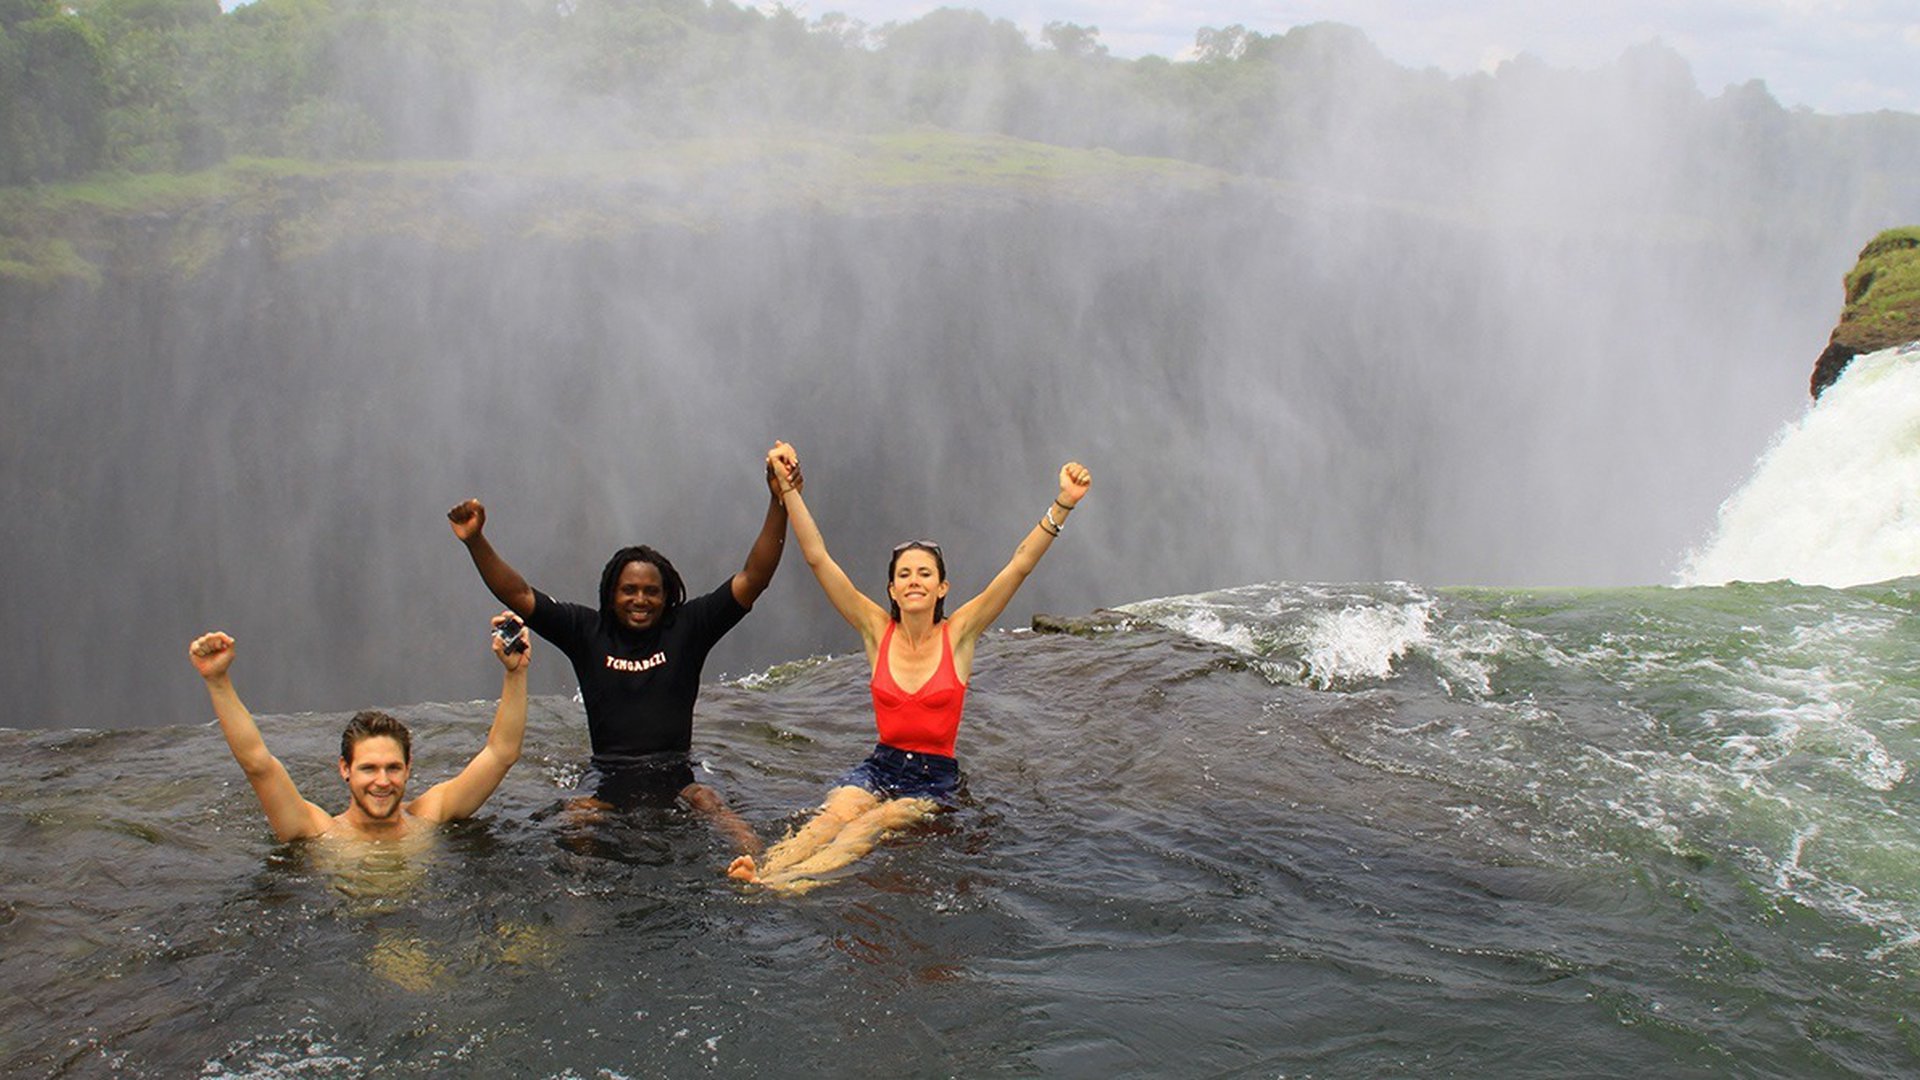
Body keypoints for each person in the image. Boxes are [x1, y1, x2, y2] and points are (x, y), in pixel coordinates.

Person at [729, 441, 1092, 891]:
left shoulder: (960, 634)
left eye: (924, 574)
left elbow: (1018, 567)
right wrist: (788, 489)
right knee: (833, 816)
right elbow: (818, 557)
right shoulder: (875, 630)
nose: (914, 581)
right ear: (893, 590)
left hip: (932, 778)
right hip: (880, 765)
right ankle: (762, 870)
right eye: (905, 575)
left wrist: (1063, 504)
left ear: (942, 587)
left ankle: (790, 883)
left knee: (868, 826)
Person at [446, 456, 792, 854]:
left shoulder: (688, 628)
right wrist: (476, 541)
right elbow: (520, 596)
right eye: (629, 590)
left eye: (651, 591)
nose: (640, 600)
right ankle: (578, 909)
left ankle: (758, 876)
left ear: (667, 597)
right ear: (612, 594)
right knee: (578, 820)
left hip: (676, 771)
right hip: (608, 774)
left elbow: (754, 578)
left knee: (719, 812)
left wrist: (778, 502)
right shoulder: (586, 631)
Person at [186, 615, 530, 842]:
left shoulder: (429, 817)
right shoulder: (318, 833)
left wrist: (515, 673)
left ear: (409, 769)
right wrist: (218, 682)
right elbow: (257, 764)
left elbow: (501, 753)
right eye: (369, 768)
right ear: (344, 769)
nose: (382, 781)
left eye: (393, 768)